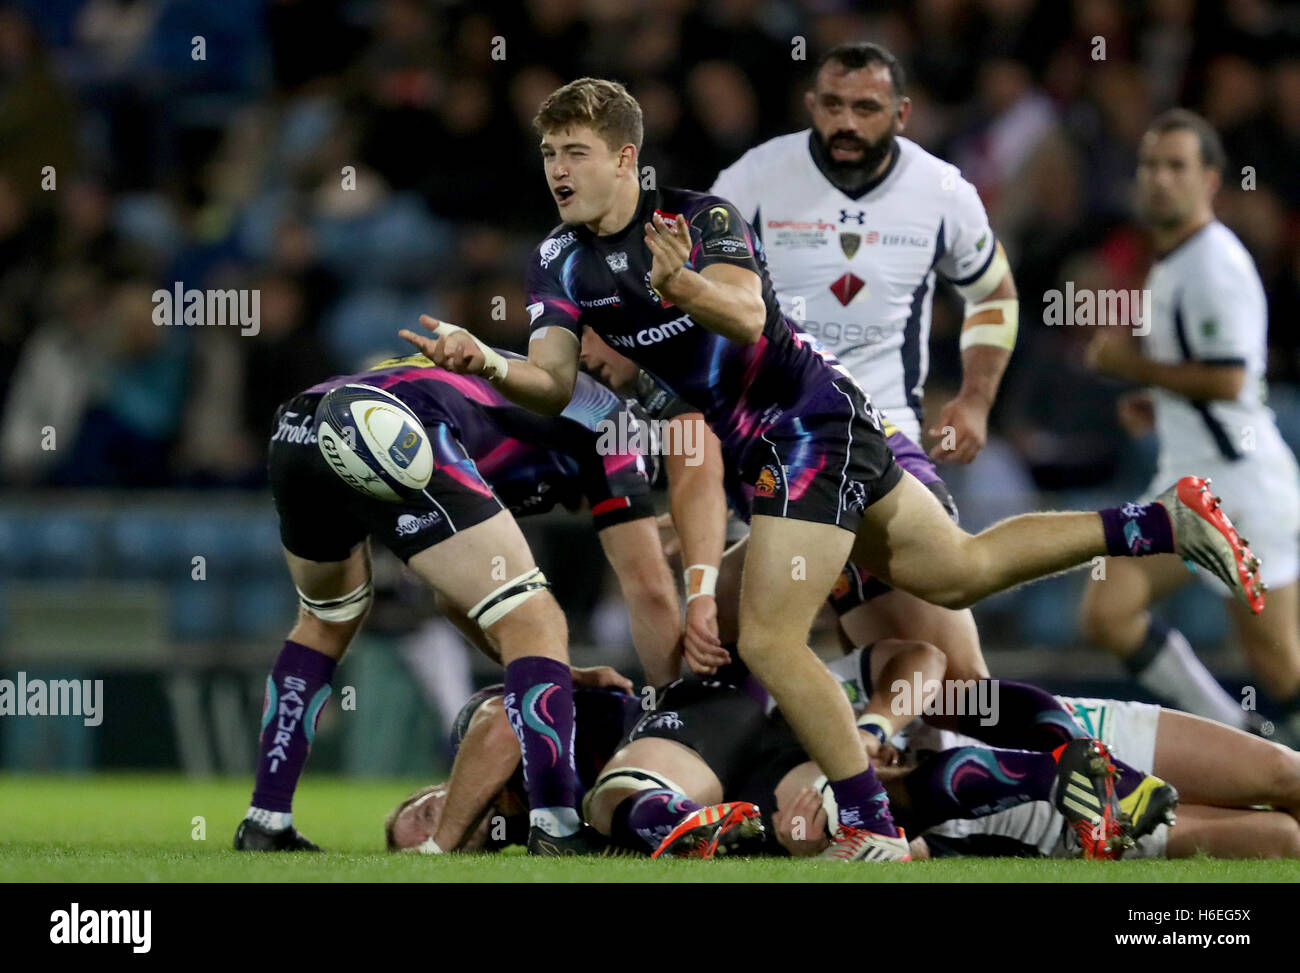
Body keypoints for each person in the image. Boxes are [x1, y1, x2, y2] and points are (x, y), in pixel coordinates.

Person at [398, 76, 1262, 863]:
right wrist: (487, 362)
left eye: (575, 152)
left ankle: (874, 824)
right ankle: (1161, 520)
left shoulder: (696, 220)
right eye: (549, 153)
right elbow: (553, 380)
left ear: (626, 158)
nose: (557, 168)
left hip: (803, 420)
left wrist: (684, 288)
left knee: (772, 638)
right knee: (957, 571)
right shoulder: (558, 258)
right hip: (793, 437)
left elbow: (745, 311)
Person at [235, 349, 681, 855]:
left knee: (326, 619)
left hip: (300, 425)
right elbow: (648, 586)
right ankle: (557, 827)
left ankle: (265, 820)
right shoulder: (618, 429)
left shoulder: (530, 434)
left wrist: (553, 670)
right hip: (389, 426)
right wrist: (674, 707)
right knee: (537, 617)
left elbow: (451, 594)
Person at [710, 41, 1012, 680]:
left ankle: (870, 742)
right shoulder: (751, 182)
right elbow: (698, 307)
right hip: (779, 439)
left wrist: (976, 399)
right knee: (722, 644)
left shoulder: (942, 192)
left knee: (954, 680)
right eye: (834, 105)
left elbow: (993, 294)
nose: (847, 123)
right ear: (811, 105)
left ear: (901, 113)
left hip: (886, 436)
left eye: (867, 108)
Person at [1082, 109, 1300, 743]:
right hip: (1193, 484)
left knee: (1281, 667)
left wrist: (1131, 364)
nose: (1159, 179)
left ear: (1210, 179)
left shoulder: (1213, 264)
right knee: (1107, 608)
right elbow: (1218, 378)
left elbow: (1231, 378)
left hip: (1240, 487)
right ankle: (1236, 734)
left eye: (1176, 166)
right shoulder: (1178, 260)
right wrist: (1159, 399)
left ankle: (1262, 761)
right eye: (1150, 165)